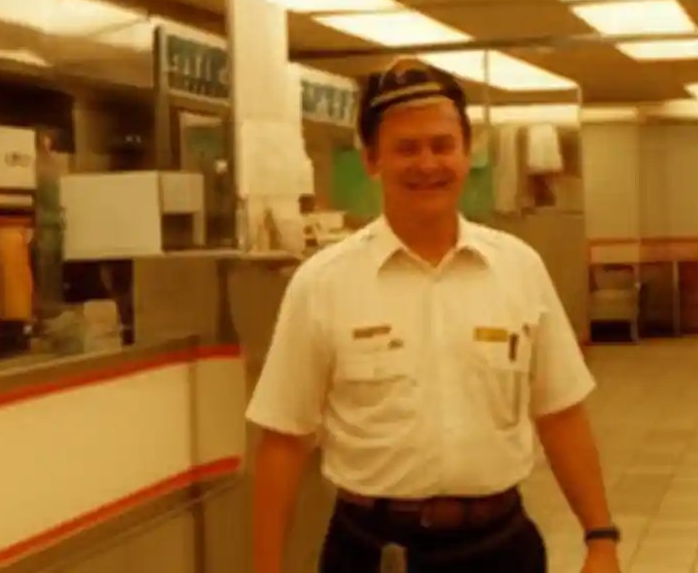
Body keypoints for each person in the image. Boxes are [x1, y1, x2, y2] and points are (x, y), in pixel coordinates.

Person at [247, 58, 620, 573]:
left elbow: (560, 414)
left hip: (500, 550)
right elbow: (284, 443)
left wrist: (600, 537)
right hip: (373, 553)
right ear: (371, 159)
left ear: (467, 153)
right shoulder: (323, 283)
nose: (427, 164)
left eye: (443, 145)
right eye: (407, 148)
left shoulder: (518, 269)